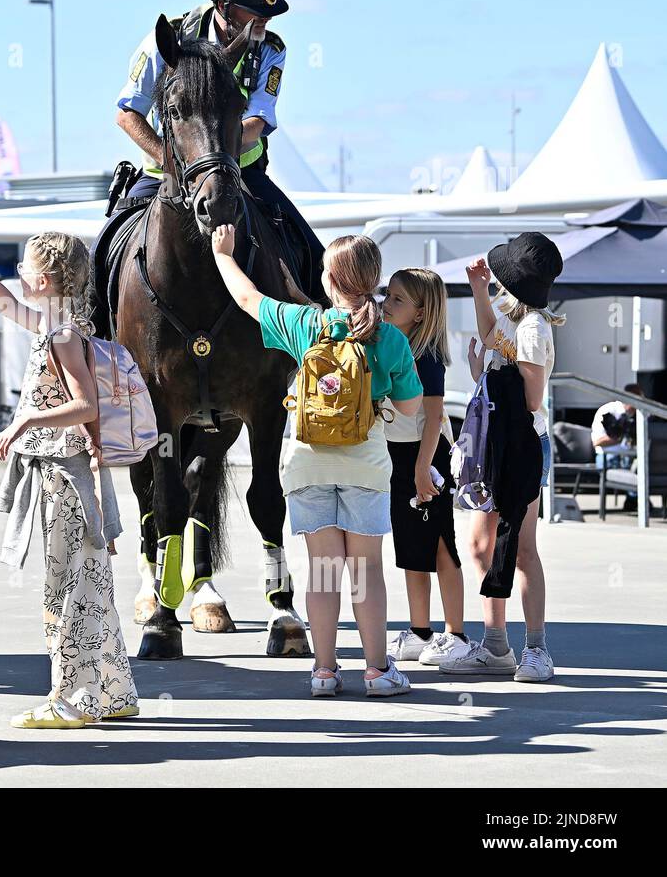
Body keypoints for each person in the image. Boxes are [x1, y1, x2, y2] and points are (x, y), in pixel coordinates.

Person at [211, 229, 422, 697]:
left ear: (329, 279)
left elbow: (248, 298)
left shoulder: (306, 324)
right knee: (365, 571)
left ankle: (324, 672)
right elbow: (410, 409)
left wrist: (223, 255)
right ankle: (378, 672)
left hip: (307, 465)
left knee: (323, 569)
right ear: (374, 280)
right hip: (365, 465)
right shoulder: (389, 338)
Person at [110, 0, 324, 298]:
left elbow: (258, 119)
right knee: (103, 247)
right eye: (257, 12)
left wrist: (218, 160)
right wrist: (172, 164)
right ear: (224, 6)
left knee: (315, 256)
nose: (265, 21)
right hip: (163, 174)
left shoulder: (270, 49)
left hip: (241, 170)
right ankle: (91, 325)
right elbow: (127, 114)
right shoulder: (168, 39)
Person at [0, 228, 139, 729]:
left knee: (67, 587)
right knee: (92, 581)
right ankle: (116, 692)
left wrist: (25, 421)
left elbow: (85, 405)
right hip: (76, 475)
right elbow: (5, 303)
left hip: (66, 478)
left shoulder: (61, 335)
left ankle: (71, 701)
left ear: (46, 278)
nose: (17, 275)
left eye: (24, 268)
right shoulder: (55, 325)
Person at [442, 233, 564, 682]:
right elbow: (492, 338)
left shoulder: (534, 328)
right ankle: (495, 645)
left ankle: (536, 649)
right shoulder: (514, 318)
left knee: (522, 550)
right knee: (481, 546)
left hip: (522, 445)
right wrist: (477, 292)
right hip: (495, 440)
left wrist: (494, 370)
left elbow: (532, 399)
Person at [381, 268, 469, 666]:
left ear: (420, 313)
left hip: (426, 457)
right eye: (389, 295)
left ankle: (457, 634)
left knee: (440, 545)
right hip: (398, 457)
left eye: (398, 299)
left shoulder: (426, 358)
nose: (386, 303)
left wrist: (421, 469)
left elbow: (434, 419)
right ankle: (420, 630)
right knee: (409, 547)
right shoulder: (388, 345)